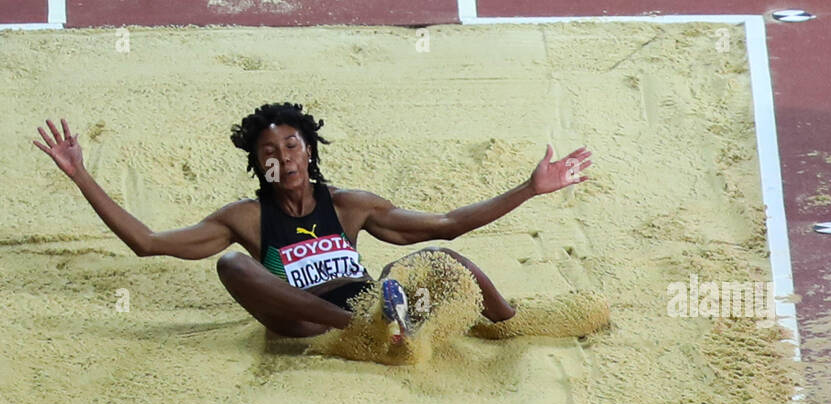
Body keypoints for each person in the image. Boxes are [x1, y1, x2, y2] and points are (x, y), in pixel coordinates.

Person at [33, 101, 591, 340]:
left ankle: (507, 323)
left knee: (438, 260)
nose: (283, 156)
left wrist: (530, 188)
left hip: (372, 302)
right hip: (306, 324)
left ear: (309, 152)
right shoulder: (245, 218)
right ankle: (372, 332)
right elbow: (148, 243)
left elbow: (447, 222)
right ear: (258, 164)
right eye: (269, 151)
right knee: (232, 265)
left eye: (292, 145)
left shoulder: (350, 205)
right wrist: (81, 175)